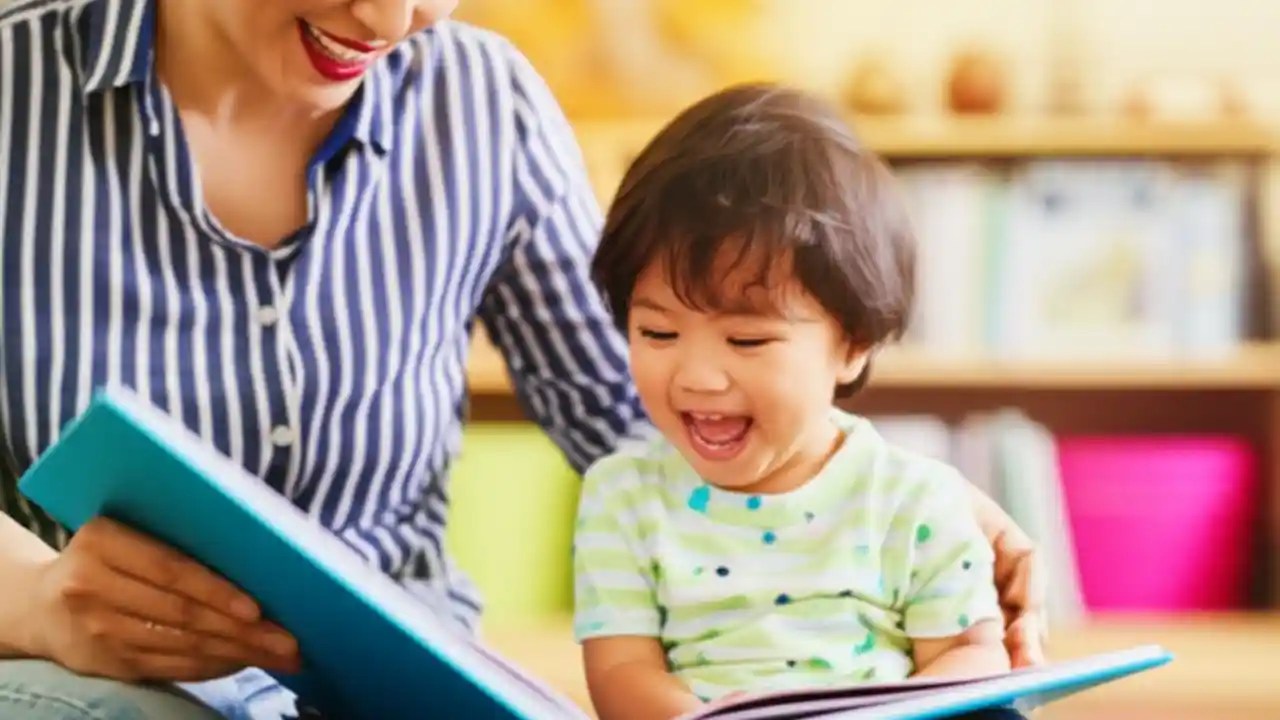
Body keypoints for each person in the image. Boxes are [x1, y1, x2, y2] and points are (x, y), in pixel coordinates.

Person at [0, 0, 1045, 718]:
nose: (390, 19)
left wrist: (870, 498)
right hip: (82, 687)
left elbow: (651, 419)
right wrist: (37, 601)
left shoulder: (479, 105)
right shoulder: (15, 91)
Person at [572, 83, 1021, 720]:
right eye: (658, 332)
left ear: (853, 344)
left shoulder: (917, 498)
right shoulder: (622, 495)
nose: (697, 377)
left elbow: (973, 654)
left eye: (747, 338)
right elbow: (621, 670)